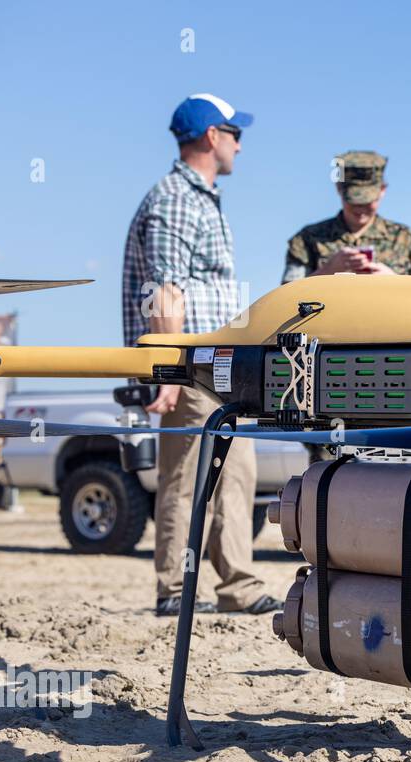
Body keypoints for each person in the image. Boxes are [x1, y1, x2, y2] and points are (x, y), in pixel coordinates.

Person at [121, 93, 279, 617]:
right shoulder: (174, 198)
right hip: (191, 362)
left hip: (219, 362)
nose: (239, 144)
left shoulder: (201, 198)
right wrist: (170, 366)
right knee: (188, 477)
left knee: (235, 472)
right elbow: (166, 289)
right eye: (236, 133)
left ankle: (237, 585)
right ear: (213, 136)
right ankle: (173, 590)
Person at [282, 151, 411, 283]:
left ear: (382, 190)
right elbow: (285, 300)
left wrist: (395, 282)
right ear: (339, 189)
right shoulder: (306, 240)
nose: (360, 209)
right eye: (354, 201)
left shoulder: (408, 240)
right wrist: (327, 271)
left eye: (367, 201)